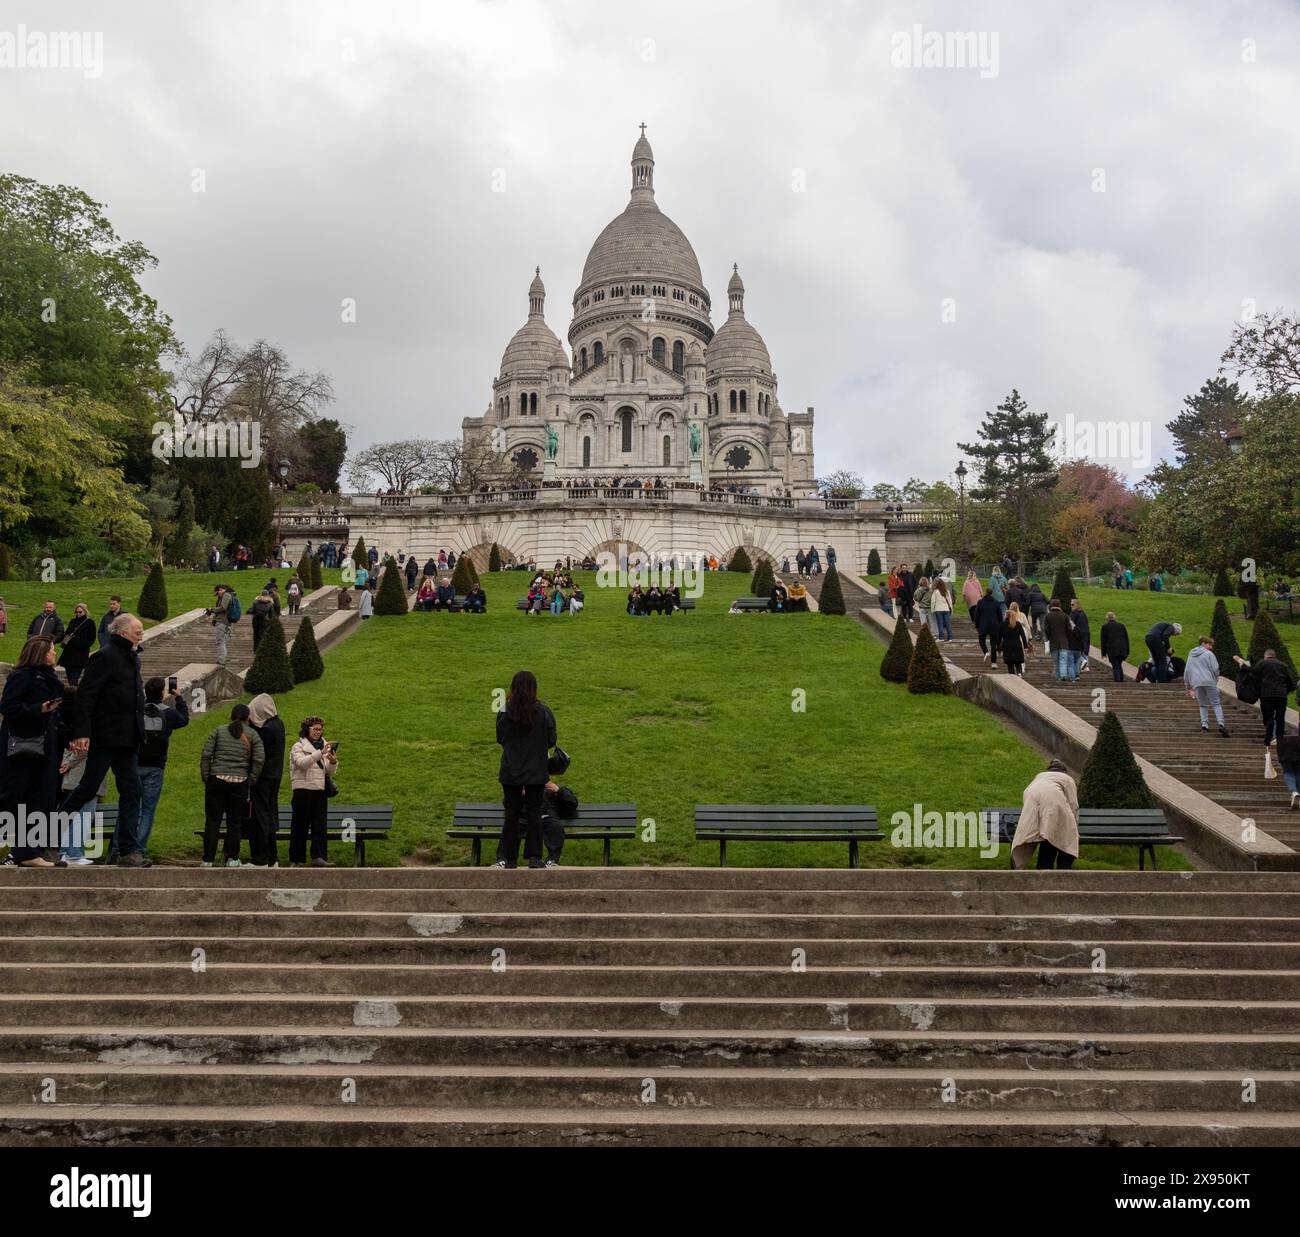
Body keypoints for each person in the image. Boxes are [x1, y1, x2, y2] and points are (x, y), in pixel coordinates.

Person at [59, 613, 148, 866]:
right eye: (137, 630)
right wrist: (82, 732)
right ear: (122, 632)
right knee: (87, 789)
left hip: (128, 738)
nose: (141, 634)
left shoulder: (133, 658)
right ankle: (51, 837)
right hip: (107, 736)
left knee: (132, 791)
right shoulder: (104, 656)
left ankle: (129, 851)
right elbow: (86, 696)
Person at [0, 637, 65, 866]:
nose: (54, 654)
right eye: (51, 650)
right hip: (22, 746)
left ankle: (29, 853)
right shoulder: (22, 676)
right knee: (17, 796)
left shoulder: (50, 678)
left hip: (44, 745)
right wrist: (39, 708)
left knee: (38, 798)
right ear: (40, 653)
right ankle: (25, 851)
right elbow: (8, 707)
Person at [494, 670, 558, 870]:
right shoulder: (543, 711)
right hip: (536, 771)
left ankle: (510, 858)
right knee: (534, 814)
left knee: (511, 814)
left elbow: (500, 738)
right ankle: (534, 857)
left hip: (511, 770)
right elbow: (551, 740)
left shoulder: (505, 711)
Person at [199, 703, 264, 867]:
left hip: (216, 780)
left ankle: (207, 859)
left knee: (212, 822)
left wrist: (207, 777)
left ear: (231, 715)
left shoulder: (219, 731)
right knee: (234, 823)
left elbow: (206, 755)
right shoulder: (252, 735)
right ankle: (232, 858)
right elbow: (259, 759)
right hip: (239, 782)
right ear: (248, 717)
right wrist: (251, 778)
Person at [136, 676, 190, 858]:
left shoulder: (138, 710)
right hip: (156, 765)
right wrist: (179, 697)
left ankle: (120, 847)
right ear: (162, 692)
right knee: (148, 809)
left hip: (135, 763)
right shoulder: (168, 713)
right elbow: (184, 720)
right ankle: (139, 849)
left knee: (129, 806)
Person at [1011, 759, 1080, 870]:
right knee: (1068, 837)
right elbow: (1073, 805)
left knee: (1048, 836)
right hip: (1053, 802)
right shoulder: (1067, 779)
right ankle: (1064, 871)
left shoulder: (1039, 777)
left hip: (1032, 802)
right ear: (1064, 771)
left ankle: (1041, 868)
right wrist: (1074, 827)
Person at [289, 715, 338, 868]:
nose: (318, 732)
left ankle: (318, 856)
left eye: (320, 729)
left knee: (320, 826)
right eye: (315, 729)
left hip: (319, 791)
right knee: (299, 827)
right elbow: (302, 764)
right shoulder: (298, 746)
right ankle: (296, 859)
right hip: (302, 791)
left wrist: (333, 761)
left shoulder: (324, 746)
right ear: (306, 730)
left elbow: (328, 772)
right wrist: (320, 752)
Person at [1233, 650, 1297, 754]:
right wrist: (1285, 690)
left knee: (1268, 717)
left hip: (1267, 695)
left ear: (1266, 656)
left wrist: (1243, 666)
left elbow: (1253, 674)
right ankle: (1280, 739)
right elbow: (1290, 682)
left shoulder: (1262, 663)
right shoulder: (1283, 665)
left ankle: (1268, 738)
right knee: (1280, 717)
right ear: (1274, 656)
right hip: (1281, 695)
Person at [247, 693, 285, 867]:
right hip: (274, 776)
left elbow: (257, 749)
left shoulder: (267, 729)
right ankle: (272, 857)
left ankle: (260, 858)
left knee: (260, 816)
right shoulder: (278, 725)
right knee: (269, 815)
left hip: (263, 777)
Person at [1184, 637, 1229, 738]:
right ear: (1203, 643)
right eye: (1209, 644)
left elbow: (1187, 671)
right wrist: (1216, 678)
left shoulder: (1191, 654)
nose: (1211, 647)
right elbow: (1215, 668)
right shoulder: (1209, 654)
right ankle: (1221, 724)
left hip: (1196, 683)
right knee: (1216, 703)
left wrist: (1188, 686)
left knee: (1202, 705)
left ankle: (1204, 725)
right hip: (1209, 681)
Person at [57, 603, 96, 686]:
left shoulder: (89, 622)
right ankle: (72, 693)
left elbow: (92, 638)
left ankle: (72, 694)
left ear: (85, 612)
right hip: (69, 653)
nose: (78, 614)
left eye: (80, 612)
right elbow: (67, 633)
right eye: (76, 612)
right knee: (69, 677)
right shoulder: (73, 621)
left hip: (80, 654)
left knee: (73, 679)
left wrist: (83, 645)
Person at [1044, 600, 1075, 681]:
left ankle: (1058, 677)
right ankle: (1063, 675)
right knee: (1063, 660)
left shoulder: (1048, 616)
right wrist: (1067, 637)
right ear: (1059, 606)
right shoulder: (1065, 616)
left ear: (1051, 606)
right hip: (1064, 642)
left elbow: (1046, 630)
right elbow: (1069, 629)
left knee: (1056, 661)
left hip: (1053, 642)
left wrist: (1049, 637)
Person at [998, 602, 1029, 674]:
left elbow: (999, 638)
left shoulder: (1002, 625)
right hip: (1017, 645)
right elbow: (1023, 636)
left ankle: (1013, 677)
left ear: (1006, 616)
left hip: (1007, 646)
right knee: (1018, 663)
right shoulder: (1018, 624)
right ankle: (1019, 674)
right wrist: (1025, 646)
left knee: (1010, 664)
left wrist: (999, 648)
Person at [210, 584, 235, 667]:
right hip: (222, 621)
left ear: (221, 589)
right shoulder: (226, 595)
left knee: (220, 642)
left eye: (218, 593)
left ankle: (221, 661)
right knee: (220, 641)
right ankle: (221, 660)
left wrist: (212, 609)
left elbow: (223, 607)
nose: (218, 595)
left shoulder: (226, 595)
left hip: (223, 622)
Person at [1100, 611, 1129, 683]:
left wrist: (1103, 654)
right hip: (1122, 649)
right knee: (1119, 664)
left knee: (1115, 666)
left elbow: (1103, 641)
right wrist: (1127, 650)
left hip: (1112, 650)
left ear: (1107, 618)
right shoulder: (1122, 626)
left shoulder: (1105, 627)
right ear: (1114, 617)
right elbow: (1126, 639)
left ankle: (1118, 682)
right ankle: (1121, 680)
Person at [974, 588, 1002, 661]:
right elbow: (1000, 616)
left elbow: (976, 615)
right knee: (993, 644)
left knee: (981, 640)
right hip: (994, 625)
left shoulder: (980, 602)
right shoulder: (996, 603)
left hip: (983, 625)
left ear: (986, 592)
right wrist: (999, 624)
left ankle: (986, 651)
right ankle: (993, 662)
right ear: (992, 593)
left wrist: (976, 625)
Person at [1068, 599, 1091, 676]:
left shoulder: (1081, 615)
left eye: (1073, 604)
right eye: (1071, 604)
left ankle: (1084, 664)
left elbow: (1084, 630)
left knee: (1079, 655)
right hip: (1075, 638)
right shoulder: (1073, 614)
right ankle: (1079, 670)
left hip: (1079, 638)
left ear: (1077, 605)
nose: (1071, 606)